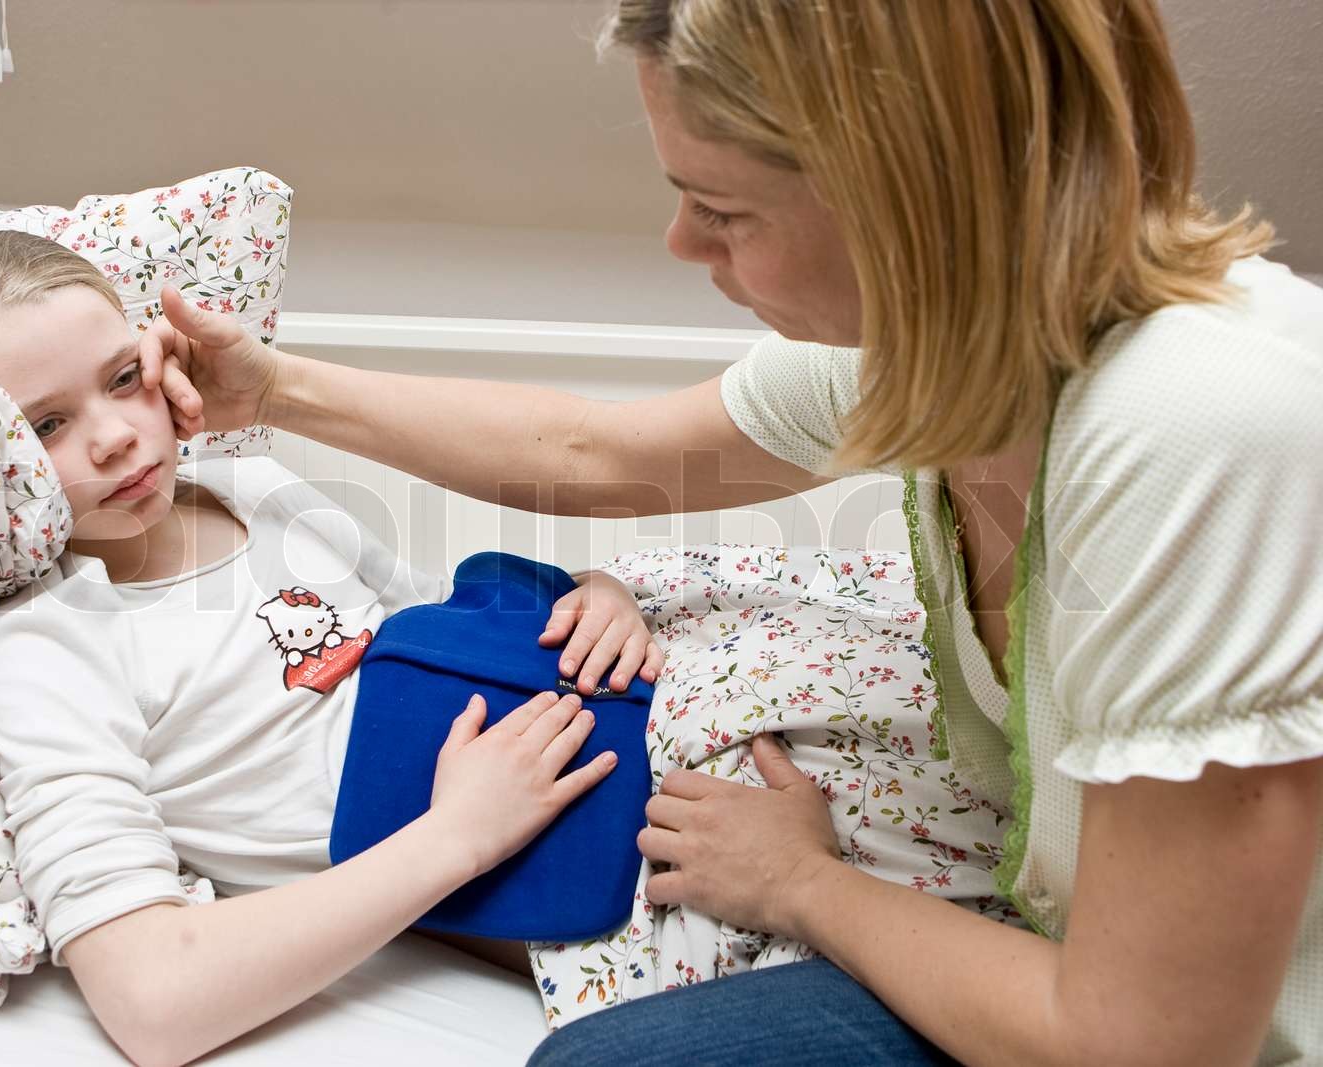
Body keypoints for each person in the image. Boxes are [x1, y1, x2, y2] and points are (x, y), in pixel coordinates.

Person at [136, 1, 1323, 1063]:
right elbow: (592, 455)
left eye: (721, 209)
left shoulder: (1194, 429)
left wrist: (804, 886)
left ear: (910, 199)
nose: (683, 249)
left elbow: (1143, 1044)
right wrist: (274, 391)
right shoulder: (942, 358)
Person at [0, 229, 666, 1067]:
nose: (111, 436)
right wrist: (458, 836)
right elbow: (152, 1000)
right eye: (45, 425)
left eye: (123, 378)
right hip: (597, 868)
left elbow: (441, 627)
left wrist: (589, 595)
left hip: (634, 710)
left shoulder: (254, 489)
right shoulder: (45, 644)